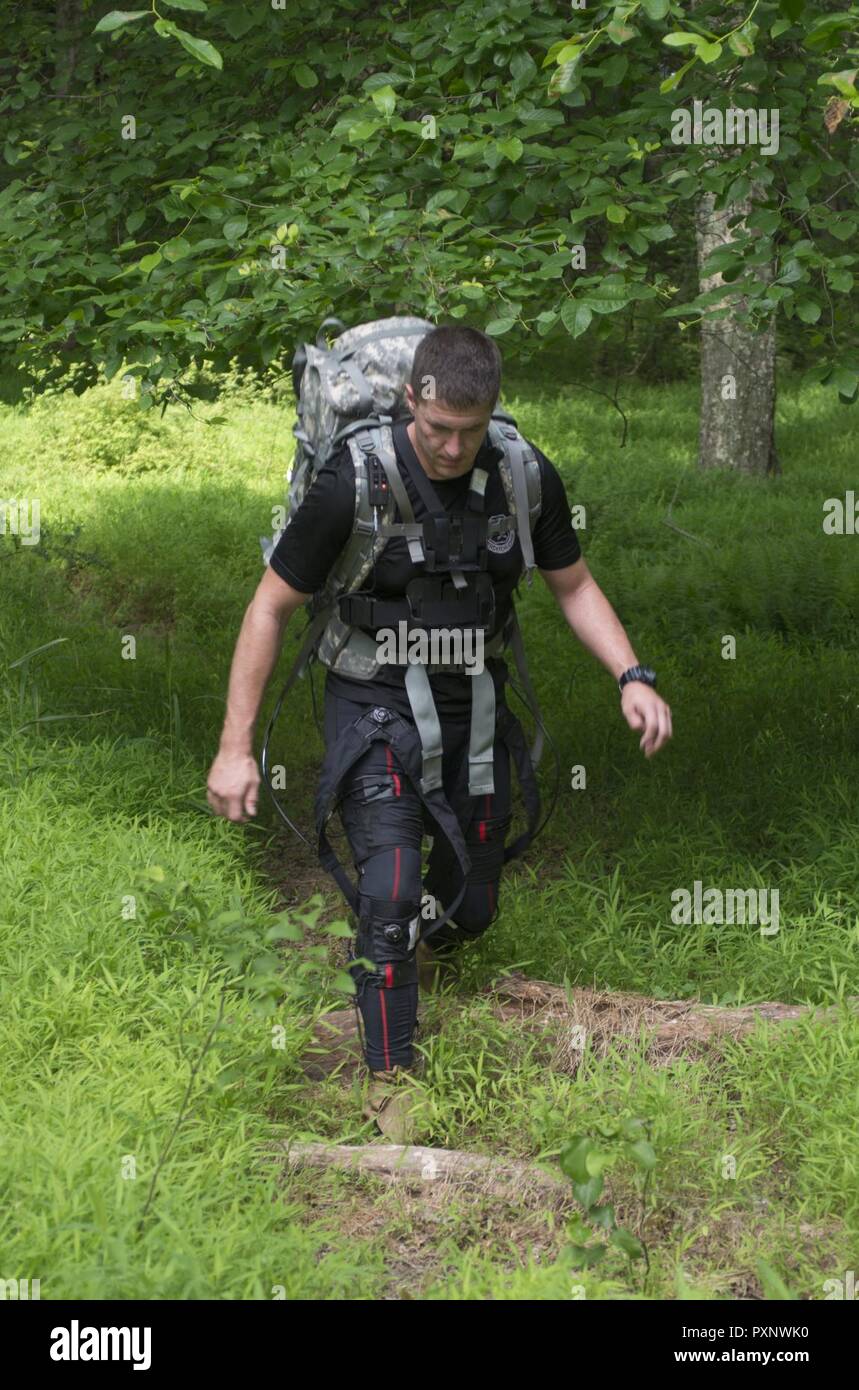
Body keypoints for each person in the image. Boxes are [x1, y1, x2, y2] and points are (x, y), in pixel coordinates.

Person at [206, 325, 672, 1141]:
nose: (453, 447)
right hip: (371, 702)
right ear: (411, 399)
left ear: (491, 410)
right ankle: (390, 1082)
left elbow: (574, 587)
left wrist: (631, 675)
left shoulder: (521, 474)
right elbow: (269, 607)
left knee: (474, 905)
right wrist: (235, 748)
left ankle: (412, 945)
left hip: (474, 707)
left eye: (470, 428)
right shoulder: (353, 480)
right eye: (436, 428)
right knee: (388, 890)